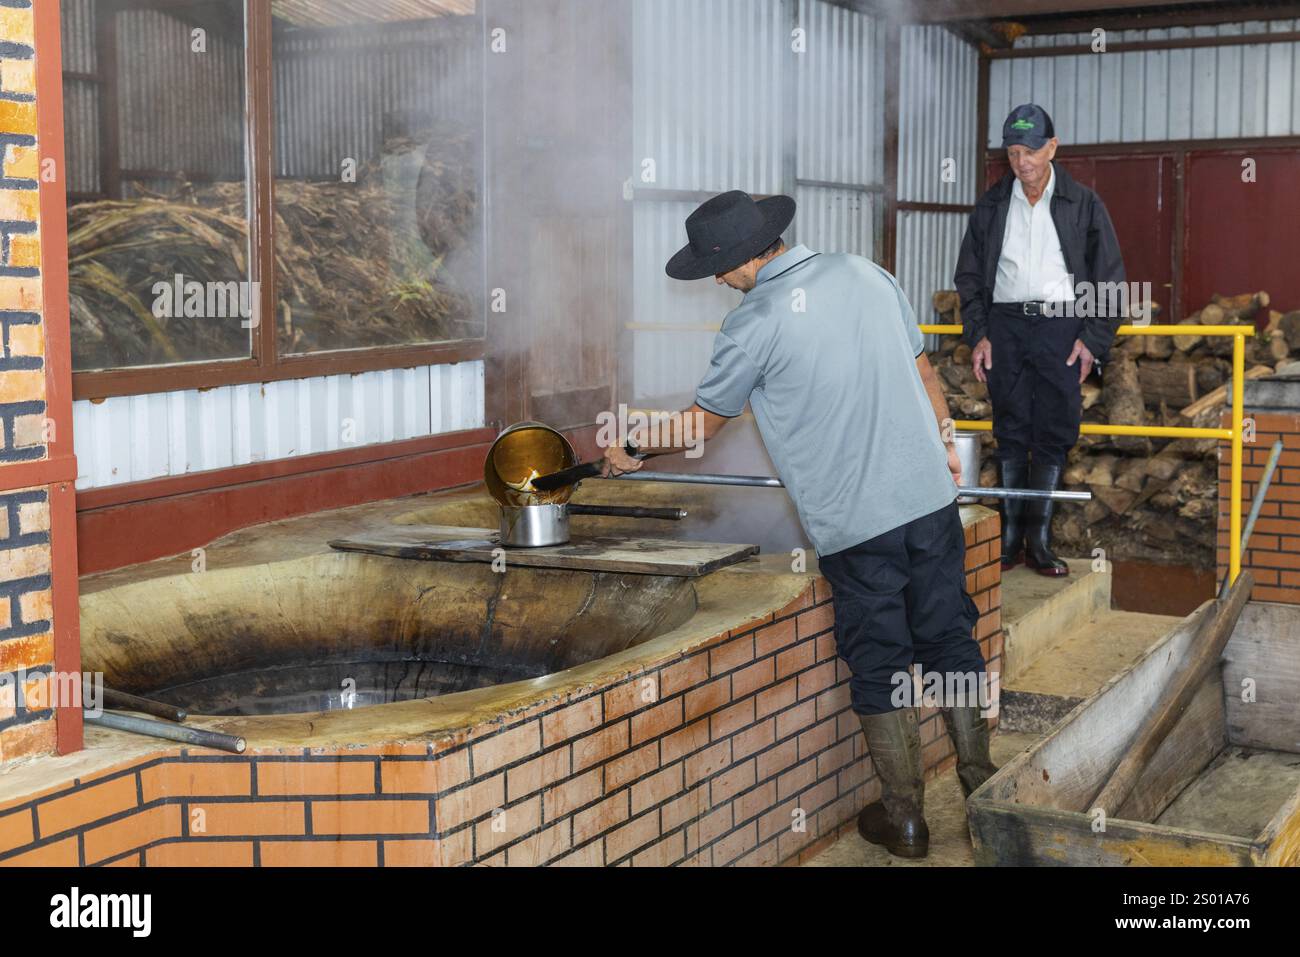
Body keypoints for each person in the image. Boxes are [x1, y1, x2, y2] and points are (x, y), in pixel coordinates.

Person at [602, 189, 997, 859]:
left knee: (880, 660)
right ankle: (984, 794)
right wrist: (945, 445)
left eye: (716, 269)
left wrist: (633, 446)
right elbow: (924, 372)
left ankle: (906, 820)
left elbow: (703, 424)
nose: (716, 282)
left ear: (741, 259)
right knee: (949, 637)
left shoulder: (752, 323)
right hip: (931, 502)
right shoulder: (865, 273)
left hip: (858, 525)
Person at [955, 103, 1126, 577]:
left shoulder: (1083, 204)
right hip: (1006, 326)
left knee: (1052, 430)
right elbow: (969, 277)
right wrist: (979, 334)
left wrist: (1093, 339)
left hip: (1061, 327)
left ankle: (1041, 543)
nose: (1022, 162)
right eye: (1013, 152)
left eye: (1030, 151)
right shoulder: (991, 206)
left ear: (1052, 147)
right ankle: (1010, 541)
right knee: (1010, 430)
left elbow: (1110, 278)